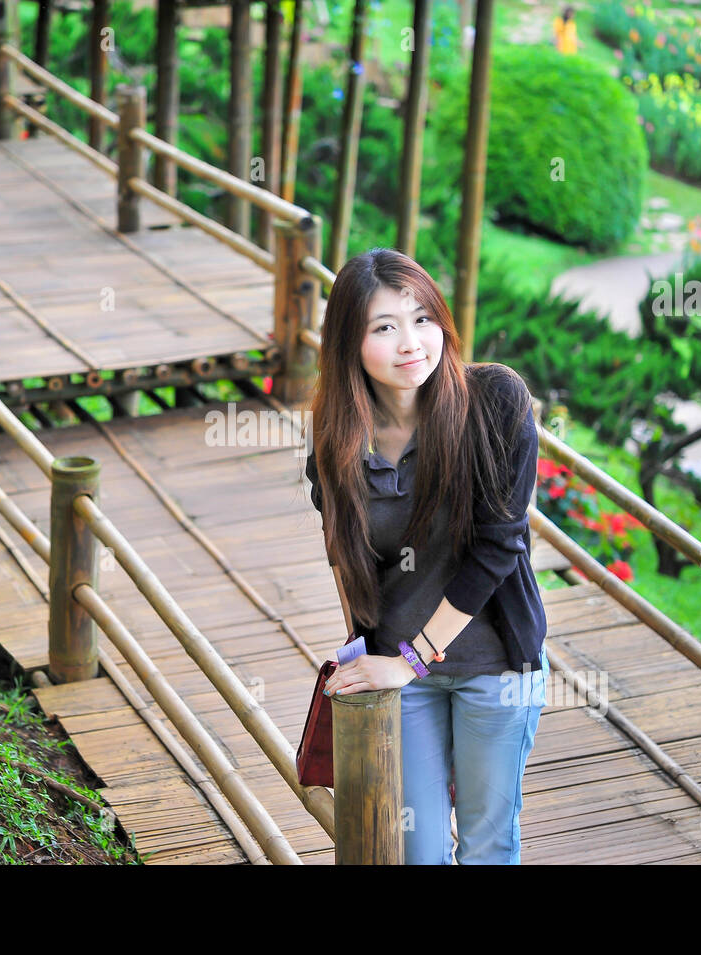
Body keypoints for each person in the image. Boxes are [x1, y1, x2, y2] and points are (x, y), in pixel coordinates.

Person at [303, 248, 549, 865]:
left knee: (489, 843)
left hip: (494, 669)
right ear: (349, 345)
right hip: (402, 676)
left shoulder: (496, 402)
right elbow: (345, 552)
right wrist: (366, 649)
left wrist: (413, 658)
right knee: (417, 850)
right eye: (384, 327)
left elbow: (498, 546)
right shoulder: (338, 441)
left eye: (422, 318)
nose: (411, 342)